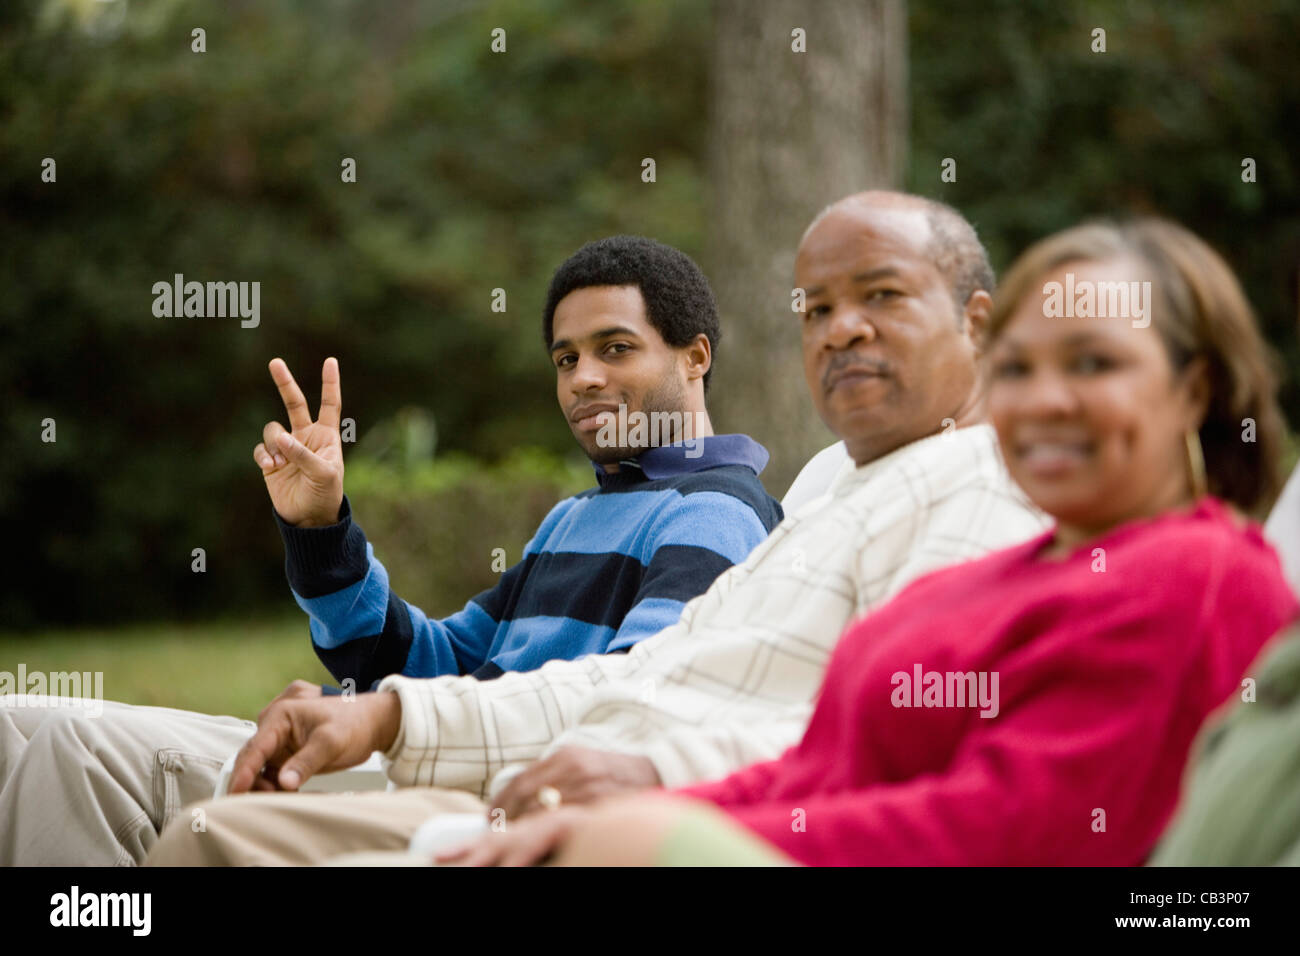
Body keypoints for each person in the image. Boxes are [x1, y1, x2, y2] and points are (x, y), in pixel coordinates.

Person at [146, 189, 1055, 866]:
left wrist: (644, 778)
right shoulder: (801, 487)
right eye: (816, 308)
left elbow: (691, 709)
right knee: (56, 752)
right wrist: (324, 541)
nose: (840, 329)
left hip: (587, 797)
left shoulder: (736, 511)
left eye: (883, 296)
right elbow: (433, 660)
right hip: (509, 763)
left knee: (198, 835)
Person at [426, 217, 1300, 867]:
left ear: (1196, 389)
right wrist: (651, 809)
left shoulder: (1199, 571)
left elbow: (1022, 828)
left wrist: (664, 832)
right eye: (1022, 368)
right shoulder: (983, 577)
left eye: (1092, 364)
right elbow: (816, 769)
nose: (1046, 400)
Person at [0, 235, 783, 866]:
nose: (583, 378)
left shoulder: (713, 513)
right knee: (16, 723)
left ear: (696, 357)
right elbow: (425, 661)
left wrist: (378, 717)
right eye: (566, 358)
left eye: (615, 348)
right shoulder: (579, 516)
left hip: (472, 789)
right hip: (412, 747)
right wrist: (322, 528)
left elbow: (619, 709)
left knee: (77, 750)